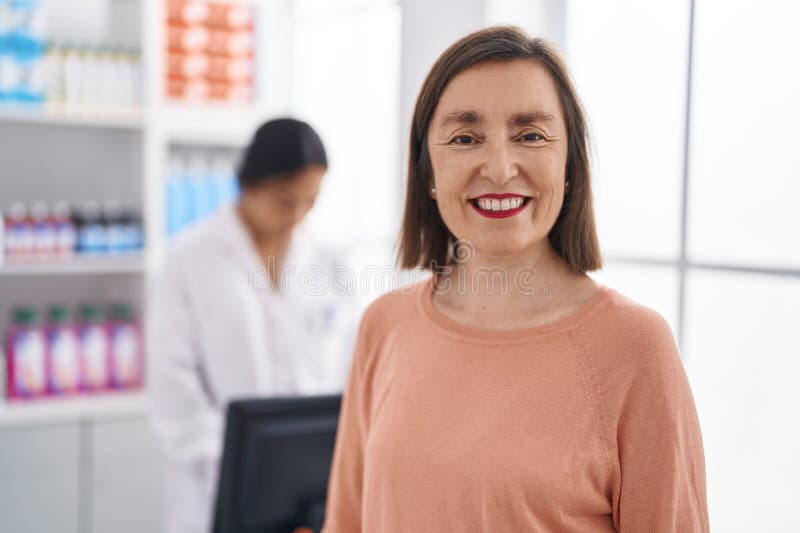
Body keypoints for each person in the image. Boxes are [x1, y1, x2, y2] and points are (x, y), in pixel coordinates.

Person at [322, 26, 709, 532]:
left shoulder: (636, 348)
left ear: (568, 165)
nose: (501, 169)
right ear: (428, 174)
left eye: (531, 135)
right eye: (465, 138)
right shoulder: (384, 326)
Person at [148, 118, 360, 533]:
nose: (297, 215)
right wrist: (253, 469)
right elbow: (174, 393)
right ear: (249, 183)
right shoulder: (188, 260)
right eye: (284, 200)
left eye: (311, 200)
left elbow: (351, 374)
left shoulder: (329, 263)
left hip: (315, 496)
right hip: (214, 490)